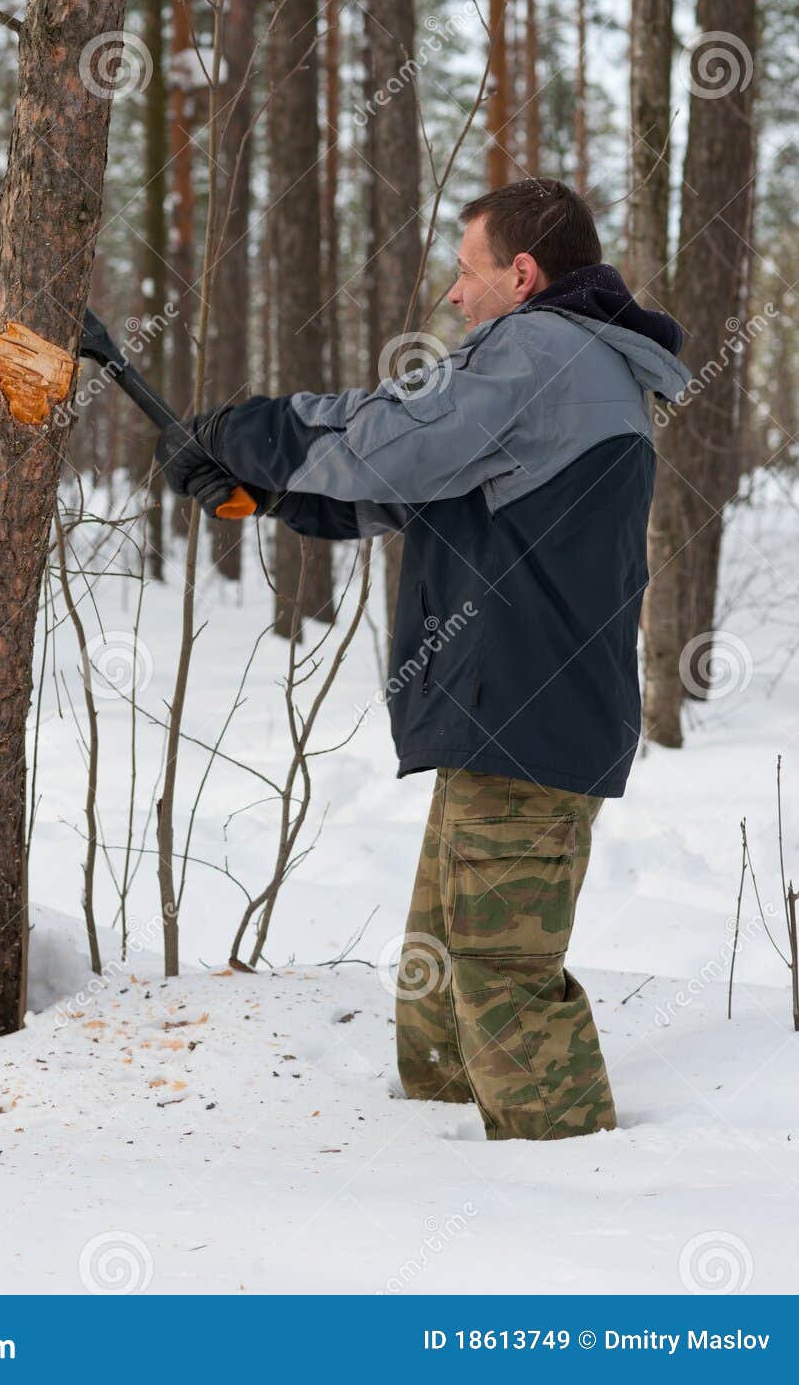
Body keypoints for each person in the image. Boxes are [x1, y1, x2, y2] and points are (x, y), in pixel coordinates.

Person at [156, 178, 690, 1142]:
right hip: (509, 714)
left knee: (497, 970)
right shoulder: (570, 367)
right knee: (440, 960)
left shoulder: (541, 350)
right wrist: (264, 493)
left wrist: (239, 431)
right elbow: (413, 493)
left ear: (521, 274)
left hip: (529, 713)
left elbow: (387, 441)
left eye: (465, 271)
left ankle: (575, 1186)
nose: (452, 295)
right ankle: (434, 1156)